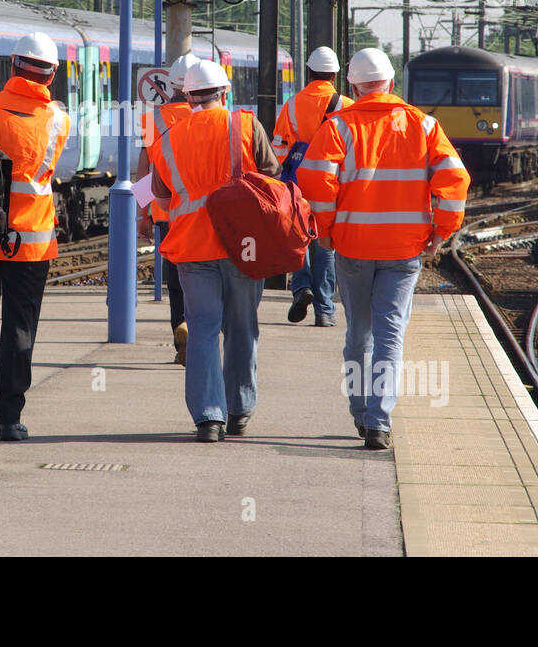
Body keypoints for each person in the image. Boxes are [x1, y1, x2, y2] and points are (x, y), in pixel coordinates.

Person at [296, 47, 470, 450]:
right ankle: (379, 421)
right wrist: (442, 230)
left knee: (359, 331)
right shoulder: (423, 126)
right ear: (391, 84)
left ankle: (360, 410)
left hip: (353, 245)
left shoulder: (338, 126)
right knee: (391, 334)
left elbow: (315, 182)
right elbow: (455, 180)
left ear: (353, 85)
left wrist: (323, 231)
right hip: (404, 249)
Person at [148, 59, 282, 442]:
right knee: (241, 327)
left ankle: (209, 417)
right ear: (225, 93)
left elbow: (160, 193)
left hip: (192, 248)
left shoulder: (169, 137)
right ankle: (238, 409)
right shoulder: (244, 124)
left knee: (203, 329)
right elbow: (272, 174)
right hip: (244, 245)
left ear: (188, 96)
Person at [0, 32, 71, 442]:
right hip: (32, 241)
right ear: (52, 75)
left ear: (13, 65)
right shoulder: (59, 120)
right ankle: (10, 418)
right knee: (19, 329)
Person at [271, 46, 351, 327]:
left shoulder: (292, 104)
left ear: (309, 72)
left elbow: (279, 149)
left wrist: (285, 175)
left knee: (300, 239)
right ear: (335, 75)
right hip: (332, 183)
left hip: (298, 184)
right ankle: (325, 309)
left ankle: (301, 288)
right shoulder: (346, 106)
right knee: (325, 243)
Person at [135, 52, 201, 365]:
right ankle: (201, 333)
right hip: (201, 212)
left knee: (175, 281)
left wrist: (142, 214)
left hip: (165, 213)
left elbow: (144, 171)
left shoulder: (152, 120)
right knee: (203, 275)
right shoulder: (208, 116)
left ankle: (180, 336)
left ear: (170, 85)